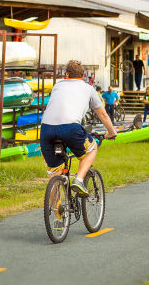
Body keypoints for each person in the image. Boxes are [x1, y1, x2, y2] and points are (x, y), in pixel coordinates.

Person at [40, 59, 117, 197]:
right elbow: (103, 115)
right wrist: (111, 132)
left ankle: (58, 214)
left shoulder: (57, 86)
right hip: (70, 127)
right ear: (83, 76)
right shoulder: (89, 89)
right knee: (92, 148)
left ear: (66, 75)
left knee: (54, 173)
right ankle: (79, 180)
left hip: (46, 129)